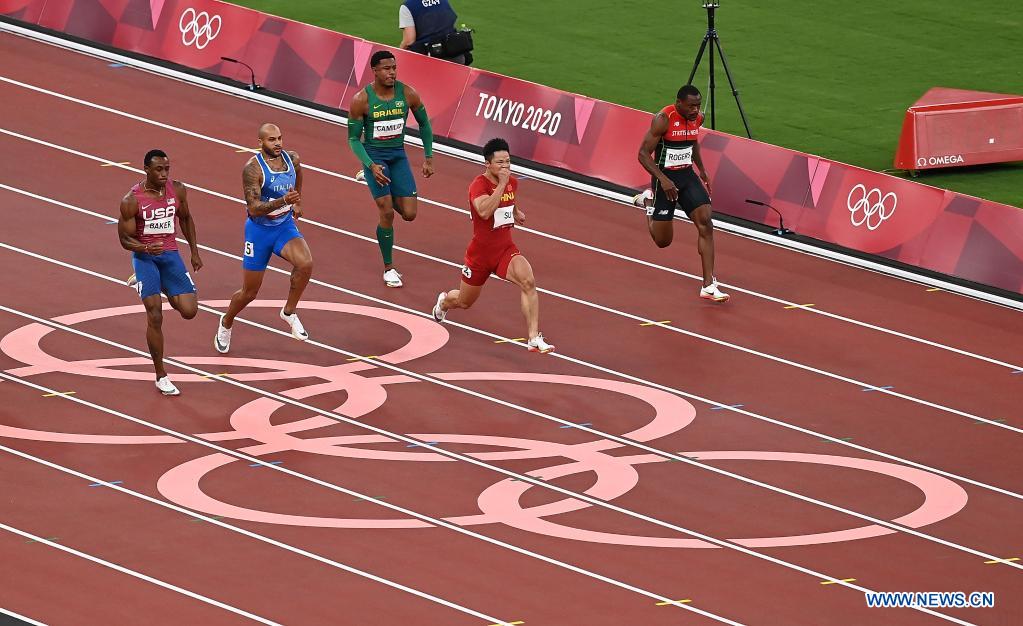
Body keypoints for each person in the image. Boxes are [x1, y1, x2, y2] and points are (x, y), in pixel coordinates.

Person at [431, 138, 554, 354]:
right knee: (463, 301)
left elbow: (510, 199)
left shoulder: (512, 183)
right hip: (480, 255)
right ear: (487, 164)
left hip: (505, 249)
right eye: (500, 163)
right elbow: (485, 211)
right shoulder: (478, 185)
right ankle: (443, 303)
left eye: (508, 162)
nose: (505, 167)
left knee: (528, 280)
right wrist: (501, 185)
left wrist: (517, 213)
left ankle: (534, 337)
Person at [214, 123, 313, 353]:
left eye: (279, 138)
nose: (277, 143)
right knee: (249, 293)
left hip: (284, 227)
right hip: (259, 232)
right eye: (271, 140)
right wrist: (284, 201)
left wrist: (297, 201)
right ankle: (226, 321)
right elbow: (254, 208)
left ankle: (289, 312)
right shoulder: (253, 169)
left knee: (306, 263)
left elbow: (298, 175)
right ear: (260, 143)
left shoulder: (292, 159)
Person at [348, 50, 435, 288]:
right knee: (386, 211)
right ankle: (389, 268)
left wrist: (428, 157)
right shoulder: (361, 100)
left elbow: (425, 124)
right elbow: (354, 140)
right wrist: (370, 165)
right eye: (386, 68)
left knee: (409, 214)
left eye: (394, 68)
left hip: (397, 156)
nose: (392, 73)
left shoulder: (407, 94)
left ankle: (378, 188)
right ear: (374, 71)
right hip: (375, 157)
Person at [118, 149, 202, 396]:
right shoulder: (131, 201)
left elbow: (186, 219)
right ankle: (161, 375)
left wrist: (194, 252)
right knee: (155, 314)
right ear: (146, 170)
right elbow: (124, 239)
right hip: (145, 257)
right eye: (158, 169)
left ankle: (151, 283)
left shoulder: (178, 190)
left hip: (170, 255)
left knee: (189, 311)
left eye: (167, 169)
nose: (164, 174)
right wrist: (144, 247)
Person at [636, 84, 729, 302]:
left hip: (687, 176)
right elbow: (642, 154)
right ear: (679, 103)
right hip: (665, 180)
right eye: (691, 106)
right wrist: (663, 180)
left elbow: (693, 142)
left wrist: (702, 169)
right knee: (663, 241)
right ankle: (649, 202)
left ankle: (708, 285)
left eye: (698, 106)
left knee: (706, 221)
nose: (696, 110)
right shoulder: (663, 119)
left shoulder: (698, 118)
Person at [399, 0, 471, 65]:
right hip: (456, 55)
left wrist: (399, 54)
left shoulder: (407, 6)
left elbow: (409, 41)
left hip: (430, 60)